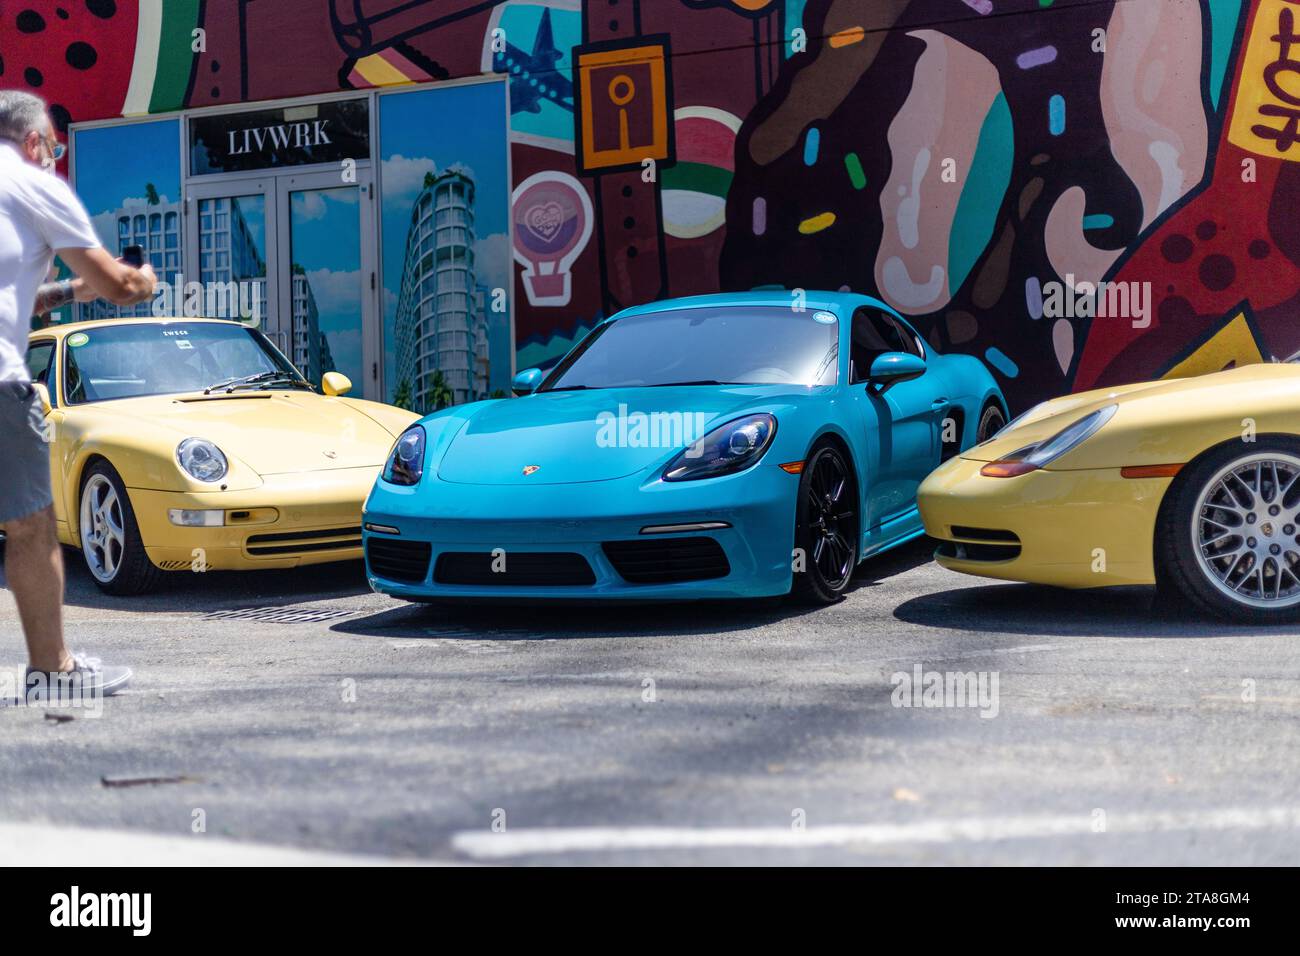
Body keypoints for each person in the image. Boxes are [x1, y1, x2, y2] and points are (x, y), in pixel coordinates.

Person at [0, 90, 156, 700]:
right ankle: (53, 672)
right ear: (35, 141)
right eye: (56, 148)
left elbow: (19, 300)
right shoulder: (35, 184)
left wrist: (69, 293)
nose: (56, 160)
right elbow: (118, 285)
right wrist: (136, 281)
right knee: (31, 527)